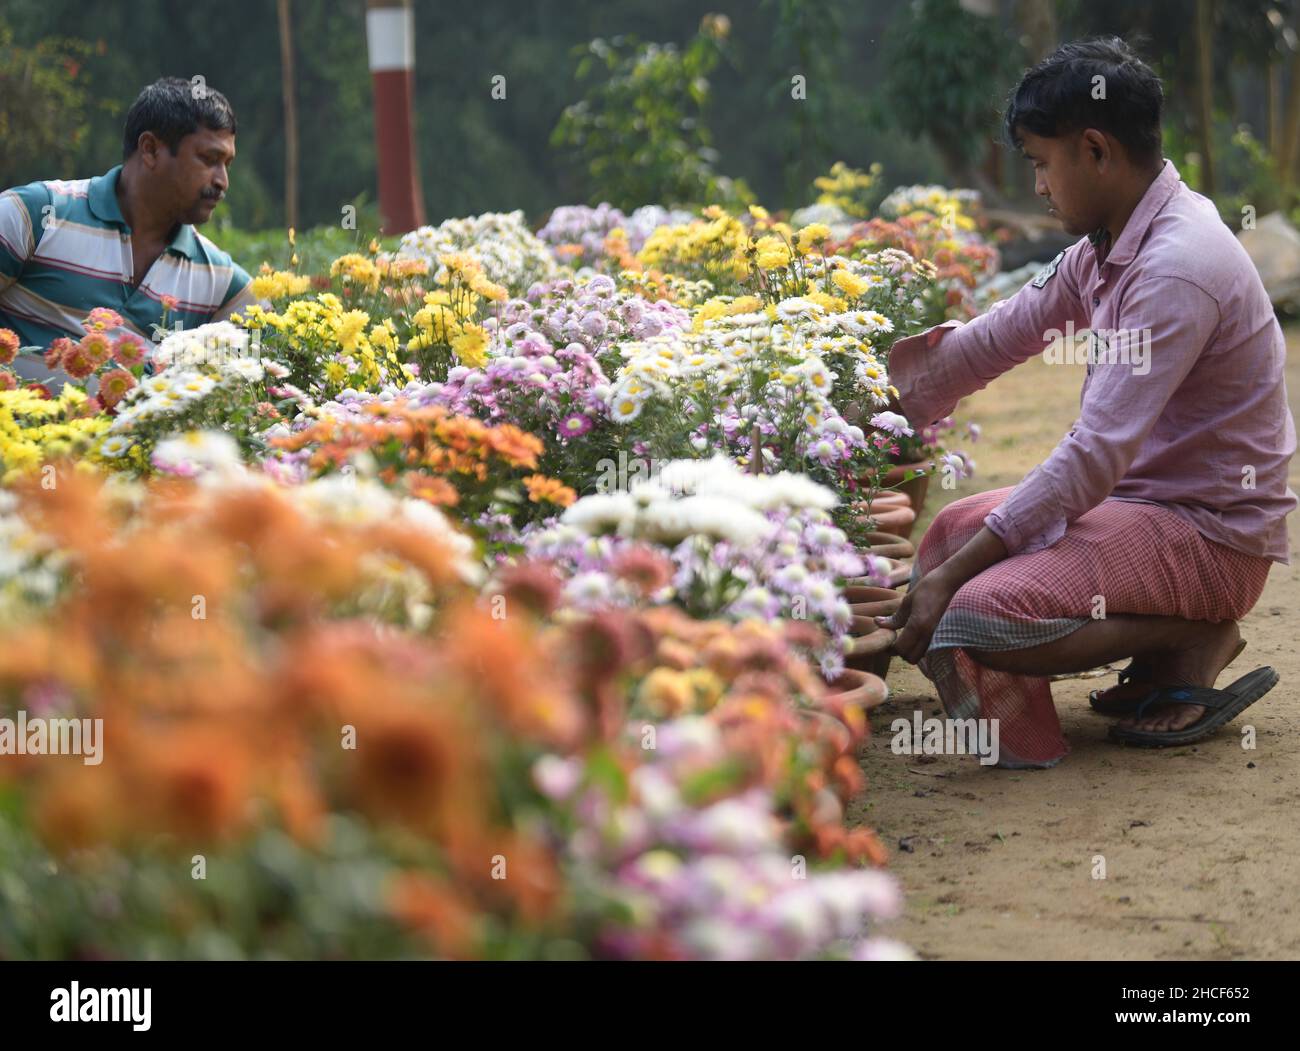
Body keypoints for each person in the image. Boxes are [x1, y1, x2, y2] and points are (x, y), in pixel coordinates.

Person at [876, 37, 1297, 767]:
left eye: (1042, 163)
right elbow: (992, 338)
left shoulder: (1176, 266)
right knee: (947, 533)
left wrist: (948, 580)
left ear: (1095, 150)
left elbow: (1092, 456)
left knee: (974, 608)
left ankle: (1191, 635)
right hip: (1142, 510)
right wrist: (873, 409)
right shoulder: (1109, 242)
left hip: (1211, 533)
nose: (1038, 185)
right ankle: (1046, 713)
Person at [0, 77, 254, 385]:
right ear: (150, 149)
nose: (222, 181)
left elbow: (268, 382)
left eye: (227, 163)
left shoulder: (222, 284)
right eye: (209, 160)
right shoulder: (34, 216)